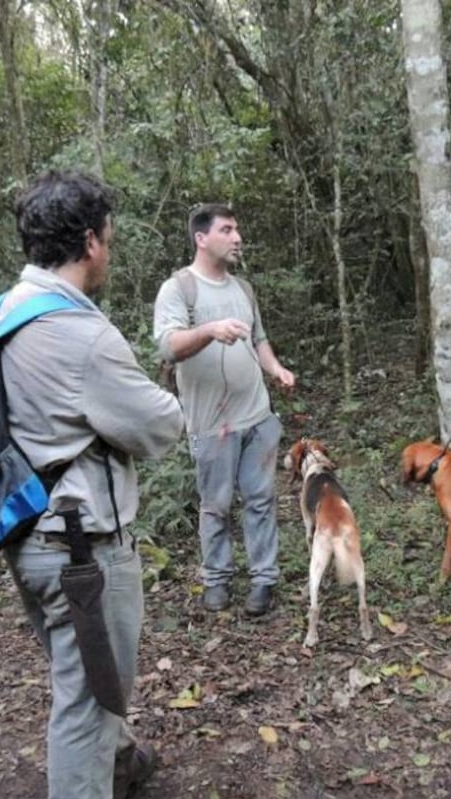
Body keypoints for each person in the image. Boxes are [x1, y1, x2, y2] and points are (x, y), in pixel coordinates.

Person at [0, 171, 184, 799]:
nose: (111, 248)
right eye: (109, 236)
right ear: (88, 242)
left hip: (27, 535)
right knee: (87, 689)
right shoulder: (80, 333)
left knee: (79, 672)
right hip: (81, 549)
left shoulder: (4, 311)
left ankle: (120, 761)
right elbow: (156, 428)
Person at [152, 204, 295, 616]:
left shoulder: (243, 289)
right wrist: (210, 330)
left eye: (238, 229)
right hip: (211, 423)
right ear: (201, 238)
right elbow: (168, 345)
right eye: (227, 230)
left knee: (261, 498)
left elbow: (259, 339)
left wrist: (277, 368)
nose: (237, 238)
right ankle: (216, 579)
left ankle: (263, 580)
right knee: (215, 504)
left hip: (257, 416)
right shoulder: (179, 289)